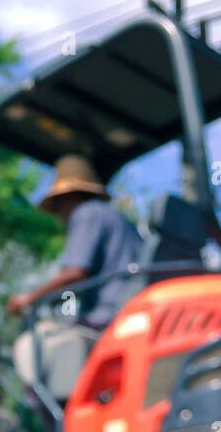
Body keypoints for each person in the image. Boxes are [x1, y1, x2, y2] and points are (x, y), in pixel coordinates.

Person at [9, 154, 143, 402]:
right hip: (130, 308)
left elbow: (75, 272)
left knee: (41, 371)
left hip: (110, 316)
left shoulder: (87, 213)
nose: (60, 216)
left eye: (58, 206)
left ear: (68, 197)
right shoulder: (118, 219)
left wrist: (29, 299)